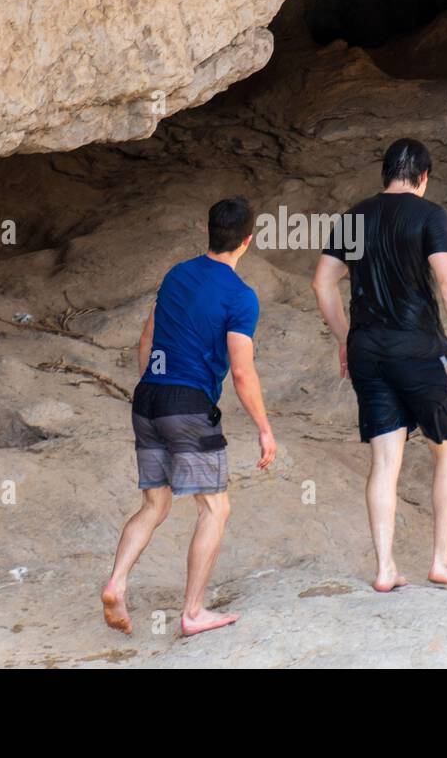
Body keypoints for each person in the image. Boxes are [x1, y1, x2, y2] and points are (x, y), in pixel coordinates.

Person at [312, 138, 447, 592]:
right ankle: (441, 561)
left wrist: (345, 337)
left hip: (369, 348)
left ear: (385, 174)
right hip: (421, 349)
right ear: (423, 177)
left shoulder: (352, 216)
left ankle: (385, 568)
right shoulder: (430, 216)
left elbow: (323, 283)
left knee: (385, 462)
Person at [102, 197, 277, 636]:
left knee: (154, 504)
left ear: (209, 231)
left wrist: (154, 387)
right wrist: (264, 427)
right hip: (189, 405)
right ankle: (194, 612)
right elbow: (241, 369)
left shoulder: (177, 274)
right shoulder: (241, 297)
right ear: (247, 241)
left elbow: (147, 338)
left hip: (149, 398)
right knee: (215, 508)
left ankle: (116, 581)